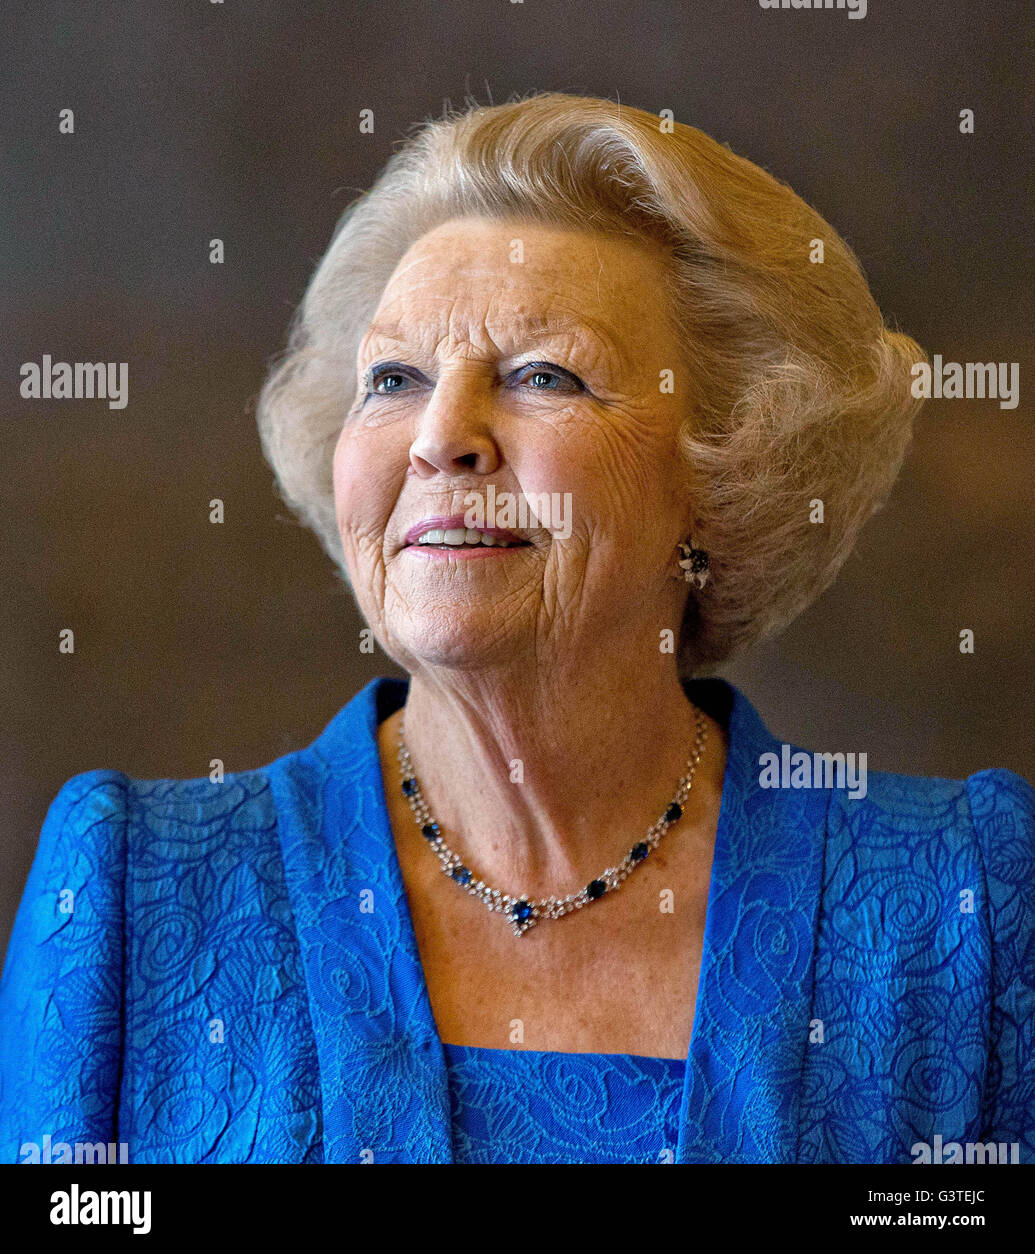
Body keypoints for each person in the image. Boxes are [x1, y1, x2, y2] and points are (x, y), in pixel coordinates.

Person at [1, 94, 1031, 1164]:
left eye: (547, 375)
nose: (442, 437)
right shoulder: (134, 893)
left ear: (727, 476)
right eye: (393, 379)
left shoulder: (958, 904)